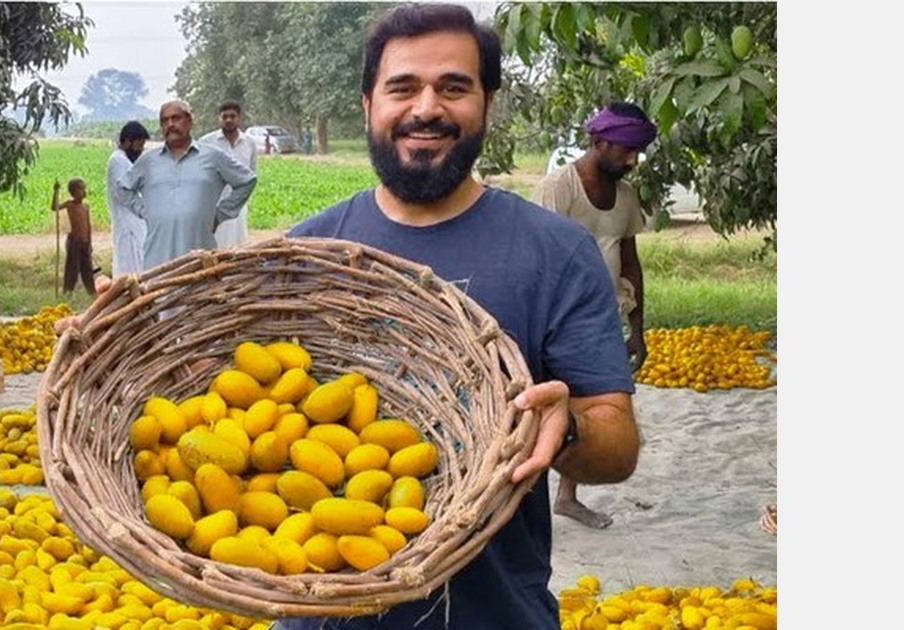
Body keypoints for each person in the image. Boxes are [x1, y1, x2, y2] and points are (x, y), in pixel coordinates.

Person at [276, 4, 639, 629]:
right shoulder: (307, 255)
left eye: (454, 87)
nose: (426, 108)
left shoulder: (554, 253)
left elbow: (619, 444)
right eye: (402, 87)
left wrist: (568, 428)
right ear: (367, 104)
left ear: (486, 105)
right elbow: (220, 403)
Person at [533, 102, 654, 530]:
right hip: (556, 316)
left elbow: (631, 261)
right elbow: (538, 260)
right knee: (545, 406)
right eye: (625, 149)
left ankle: (567, 497)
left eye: (637, 151)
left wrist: (637, 329)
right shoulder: (558, 190)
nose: (632, 159)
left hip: (604, 318)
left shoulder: (625, 197)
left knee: (591, 407)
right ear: (598, 141)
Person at [121, 99, 258, 271]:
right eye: (164, 121)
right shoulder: (148, 161)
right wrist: (143, 211)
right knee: (157, 296)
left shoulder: (212, 156)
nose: (170, 124)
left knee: (200, 293)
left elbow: (247, 180)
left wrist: (220, 214)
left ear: (190, 121)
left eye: (176, 118)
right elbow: (124, 188)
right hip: (157, 261)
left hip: (199, 258)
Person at [199, 101, 259, 249]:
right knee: (214, 247)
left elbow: (251, 173)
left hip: (238, 205)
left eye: (233, 116)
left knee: (238, 246)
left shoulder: (249, 143)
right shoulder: (207, 142)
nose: (229, 120)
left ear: (240, 118)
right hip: (214, 206)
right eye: (224, 116)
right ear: (219, 118)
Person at [106, 121, 151, 276]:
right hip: (127, 224)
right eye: (138, 145)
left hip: (135, 223)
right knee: (130, 268)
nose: (140, 150)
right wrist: (145, 211)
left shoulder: (125, 160)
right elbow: (123, 193)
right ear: (126, 142)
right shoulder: (118, 161)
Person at [50, 177, 96, 296]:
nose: (84, 192)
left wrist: (90, 243)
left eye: (84, 189)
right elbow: (54, 207)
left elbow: (88, 226)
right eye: (81, 189)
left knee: (87, 267)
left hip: (85, 242)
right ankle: (68, 291)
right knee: (72, 268)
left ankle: (91, 291)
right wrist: (55, 192)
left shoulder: (86, 207)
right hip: (74, 241)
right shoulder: (70, 205)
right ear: (73, 192)